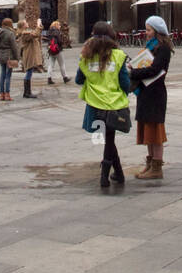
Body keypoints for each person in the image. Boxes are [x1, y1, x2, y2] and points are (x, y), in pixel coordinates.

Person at [74, 21, 130, 188]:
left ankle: (117, 174)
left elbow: (78, 79)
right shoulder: (118, 56)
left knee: (108, 139)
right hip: (114, 103)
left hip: (95, 104)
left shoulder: (86, 57)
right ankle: (106, 176)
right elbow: (125, 83)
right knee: (110, 139)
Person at [129, 15, 173, 180]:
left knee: (154, 131)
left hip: (155, 94)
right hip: (146, 92)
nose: (146, 33)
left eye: (148, 30)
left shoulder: (163, 48)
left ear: (157, 31)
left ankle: (157, 167)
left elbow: (155, 70)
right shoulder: (151, 47)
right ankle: (150, 165)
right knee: (147, 130)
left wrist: (133, 72)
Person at [16, 19, 43, 99]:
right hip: (29, 54)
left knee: (30, 71)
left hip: (30, 53)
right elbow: (36, 34)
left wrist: (39, 25)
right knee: (29, 71)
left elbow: (36, 33)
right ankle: (27, 92)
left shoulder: (25, 32)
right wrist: (38, 24)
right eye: (25, 23)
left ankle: (27, 92)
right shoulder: (25, 34)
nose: (27, 23)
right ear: (23, 25)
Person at [0, 18, 19, 102]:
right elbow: (14, 47)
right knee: (8, 75)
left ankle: (2, 94)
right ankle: (7, 94)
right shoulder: (10, 33)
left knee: (2, 75)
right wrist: (17, 57)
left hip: (1, 55)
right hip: (9, 55)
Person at [44, 20, 68, 85]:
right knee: (62, 64)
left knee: (51, 65)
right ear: (56, 25)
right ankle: (65, 78)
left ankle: (49, 78)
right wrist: (62, 42)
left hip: (51, 50)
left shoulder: (49, 32)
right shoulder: (57, 32)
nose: (60, 26)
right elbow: (60, 41)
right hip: (57, 50)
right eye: (59, 25)